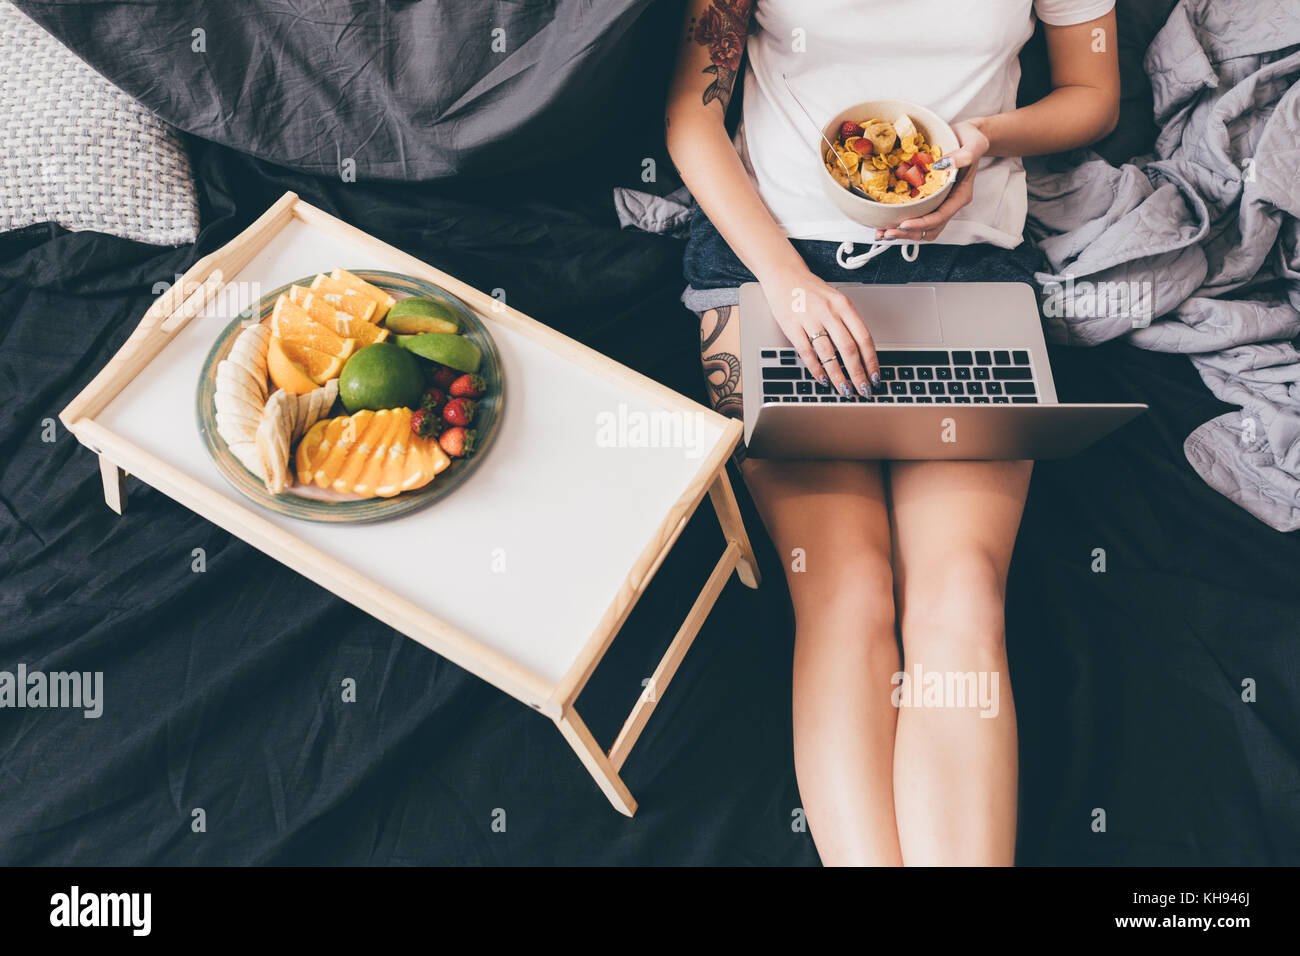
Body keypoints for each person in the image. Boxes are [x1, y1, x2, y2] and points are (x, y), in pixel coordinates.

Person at [664, 0, 1119, 865]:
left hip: (968, 265)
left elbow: (1092, 92)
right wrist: (787, 281)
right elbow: (692, 116)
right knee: (847, 595)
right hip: (771, 261)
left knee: (965, 598)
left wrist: (982, 139)